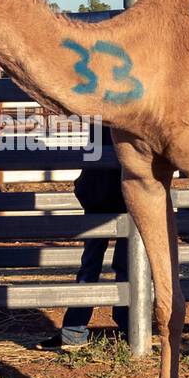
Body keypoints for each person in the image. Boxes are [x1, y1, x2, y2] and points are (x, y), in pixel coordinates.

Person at [43, 125, 129, 349]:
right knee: (121, 263)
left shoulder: (101, 110)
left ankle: (77, 330)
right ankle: (127, 329)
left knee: (97, 263)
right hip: (117, 189)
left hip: (109, 190)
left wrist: (85, 187)